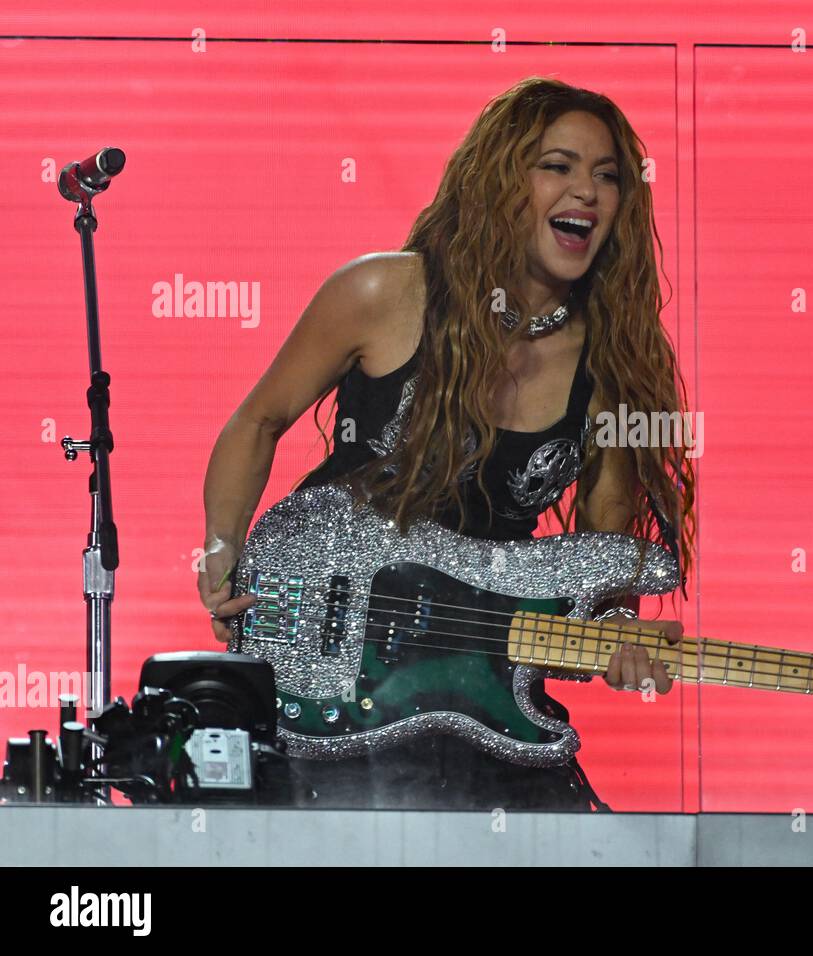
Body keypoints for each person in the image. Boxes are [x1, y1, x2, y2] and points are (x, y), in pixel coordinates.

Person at [195, 77, 696, 811]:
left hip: (478, 693)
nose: (586, 191)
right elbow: (258, 420)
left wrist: (617, 634)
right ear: (499, 182)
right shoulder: (382, 294)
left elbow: (603, 550)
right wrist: (219, 547)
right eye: (557, 166)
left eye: (608, 175)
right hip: (331, 665)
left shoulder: (614, 365)